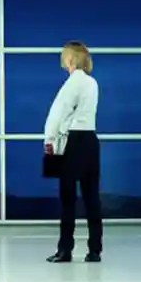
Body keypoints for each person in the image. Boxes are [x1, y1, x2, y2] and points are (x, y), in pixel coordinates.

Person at [44, 41, 101, 263]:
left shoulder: (72, 83)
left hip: (70, 142)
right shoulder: (93, 83)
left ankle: (65, 249)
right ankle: (95, 250)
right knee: (91, 197)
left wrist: (48, 141)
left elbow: (58, 113)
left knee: (67, 197)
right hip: (90, 140)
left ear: (70, 60)